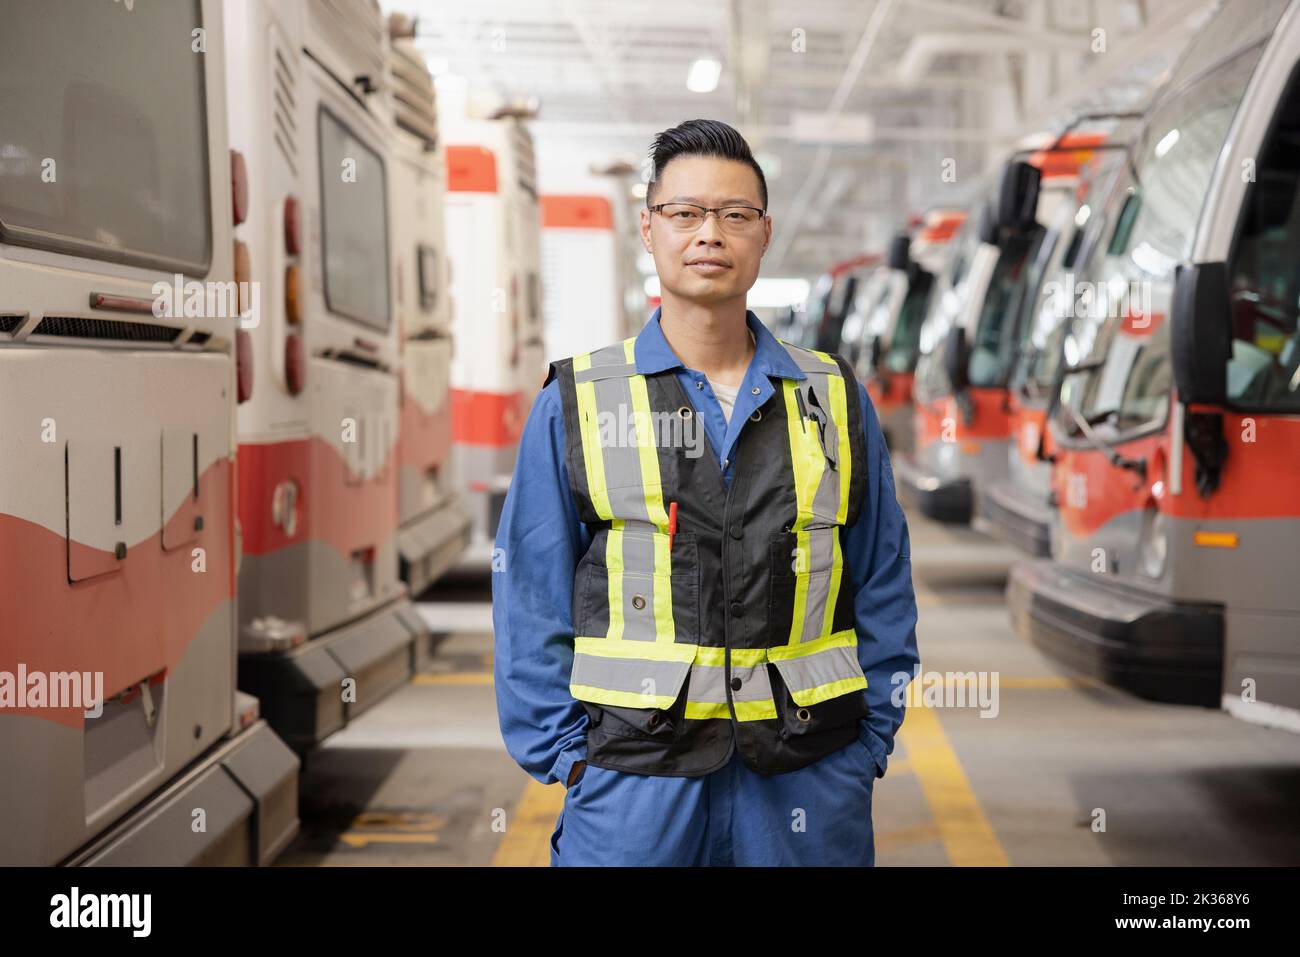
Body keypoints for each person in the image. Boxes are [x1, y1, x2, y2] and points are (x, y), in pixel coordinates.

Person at [492, 118, 919, 866]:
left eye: (734, 215)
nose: (709, 235)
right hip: (632, 787)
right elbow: (530, 592)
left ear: (764, 234)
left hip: (807, 780)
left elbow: (881, 579)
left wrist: (868, 746)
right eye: (685, 213)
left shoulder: (832, 400)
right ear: (649, 231)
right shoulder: (581, 399)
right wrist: (570, 761)